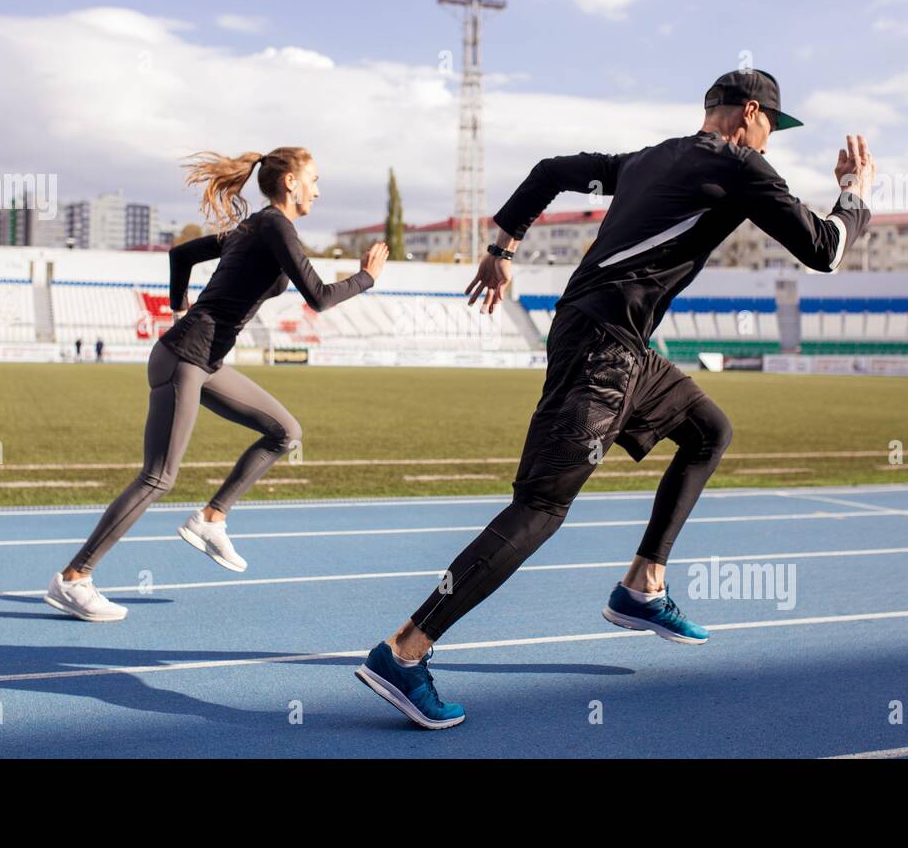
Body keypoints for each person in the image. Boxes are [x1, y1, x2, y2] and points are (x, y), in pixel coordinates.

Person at [356, 69, 874, 728]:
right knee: (541, 507)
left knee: (708, 430)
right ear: (750, 113)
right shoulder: (742, 166)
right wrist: (853, 193)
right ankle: (405, 649)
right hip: (604, 349)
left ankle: (642, 584)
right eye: (773, 123)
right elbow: (824, 249)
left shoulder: (648, 160)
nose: (772, 138)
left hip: (615, 343)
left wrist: (502, 245)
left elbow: (550, 170)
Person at [45, 147, 389, 621]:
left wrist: (178, 304)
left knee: (285, 432)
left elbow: (181, 254)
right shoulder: (273, 226)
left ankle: (211, 518)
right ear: (290, 181)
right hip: (184, 358)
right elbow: (320, 297)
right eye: (314, 178)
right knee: (158, 476)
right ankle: (73, 578)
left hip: (203, 361)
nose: (318, 189)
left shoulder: (255, 229)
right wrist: (367, 277)